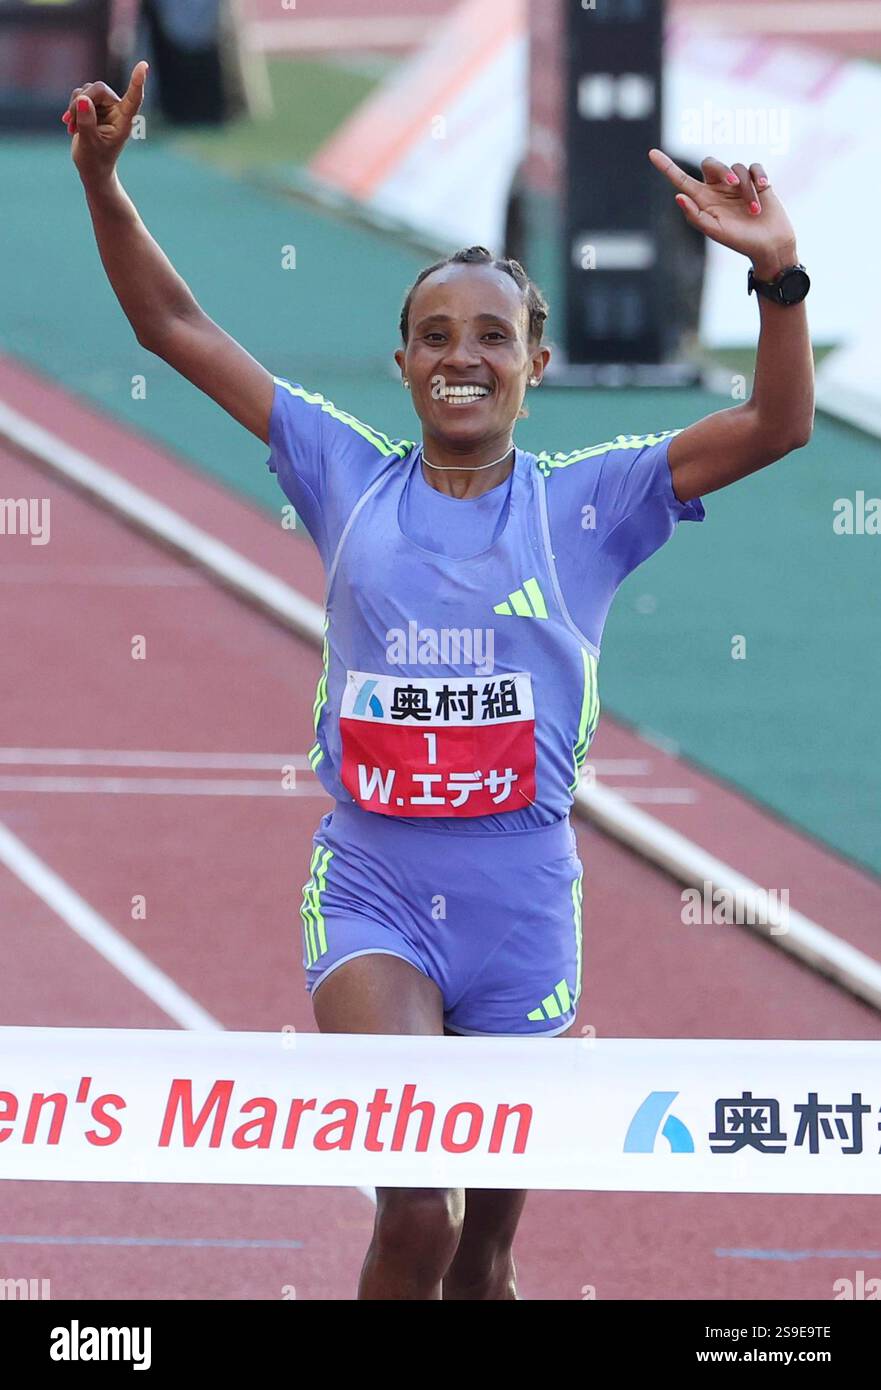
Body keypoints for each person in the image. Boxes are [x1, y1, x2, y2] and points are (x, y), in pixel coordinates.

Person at [65, 63, 814, 1300]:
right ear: (403, 363)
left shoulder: (590, 504)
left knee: (480, 1263)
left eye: (490, 336)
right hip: (376, 890)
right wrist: (104, 182)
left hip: (523, 906)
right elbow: (176, 328)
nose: (461, 356)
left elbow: (777, 425)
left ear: (536, 360)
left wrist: (775, 275)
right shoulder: (343, 473)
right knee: (417, 1206)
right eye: (434, 336)